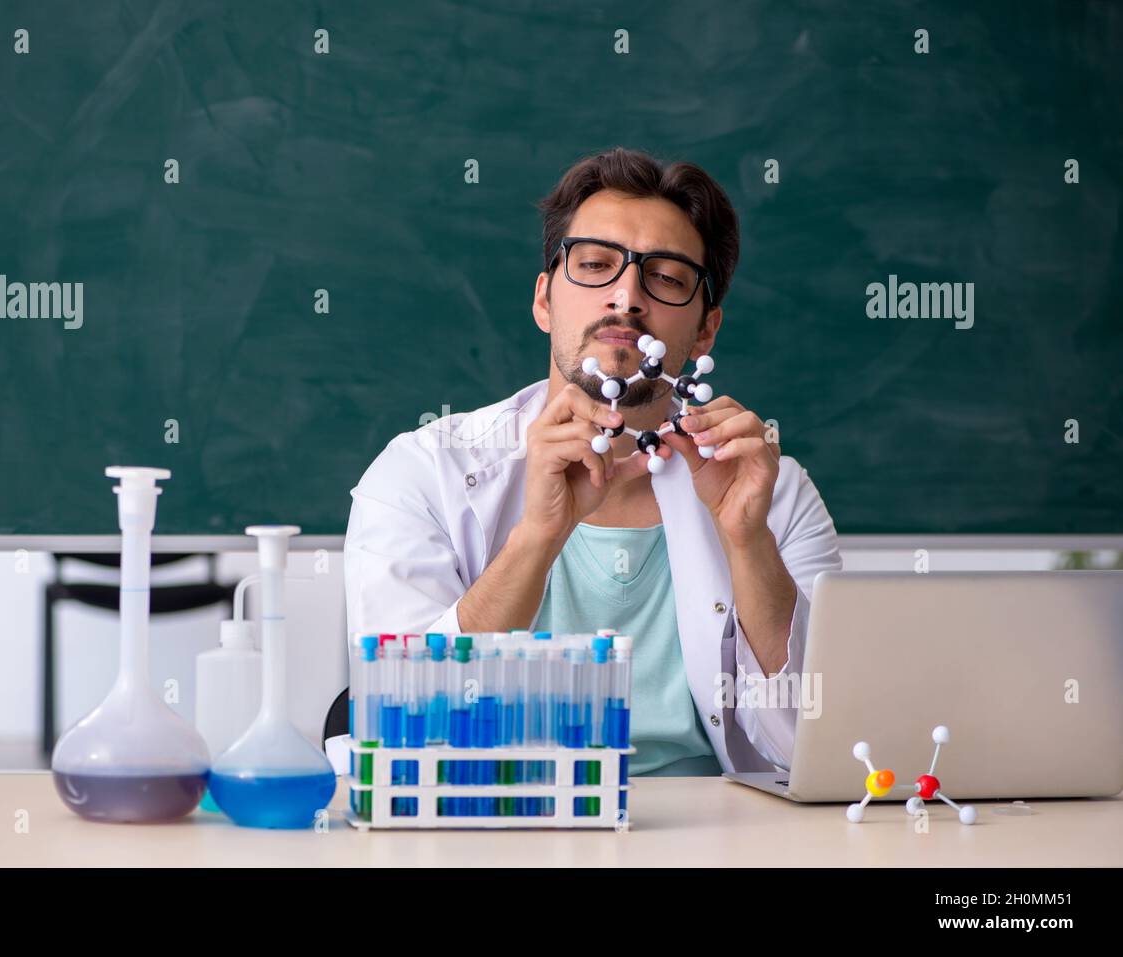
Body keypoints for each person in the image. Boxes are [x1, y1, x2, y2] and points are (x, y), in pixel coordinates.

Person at [344, 147, 840, 773]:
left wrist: (748, 543)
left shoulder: (773, 493)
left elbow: (820, 750)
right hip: (491, 831)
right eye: (597, 265)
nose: (626, 298)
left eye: (664, 277)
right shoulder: (421, 473)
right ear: (545, 300)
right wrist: (538, 538)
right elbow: (403, 736)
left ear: (706, 329)